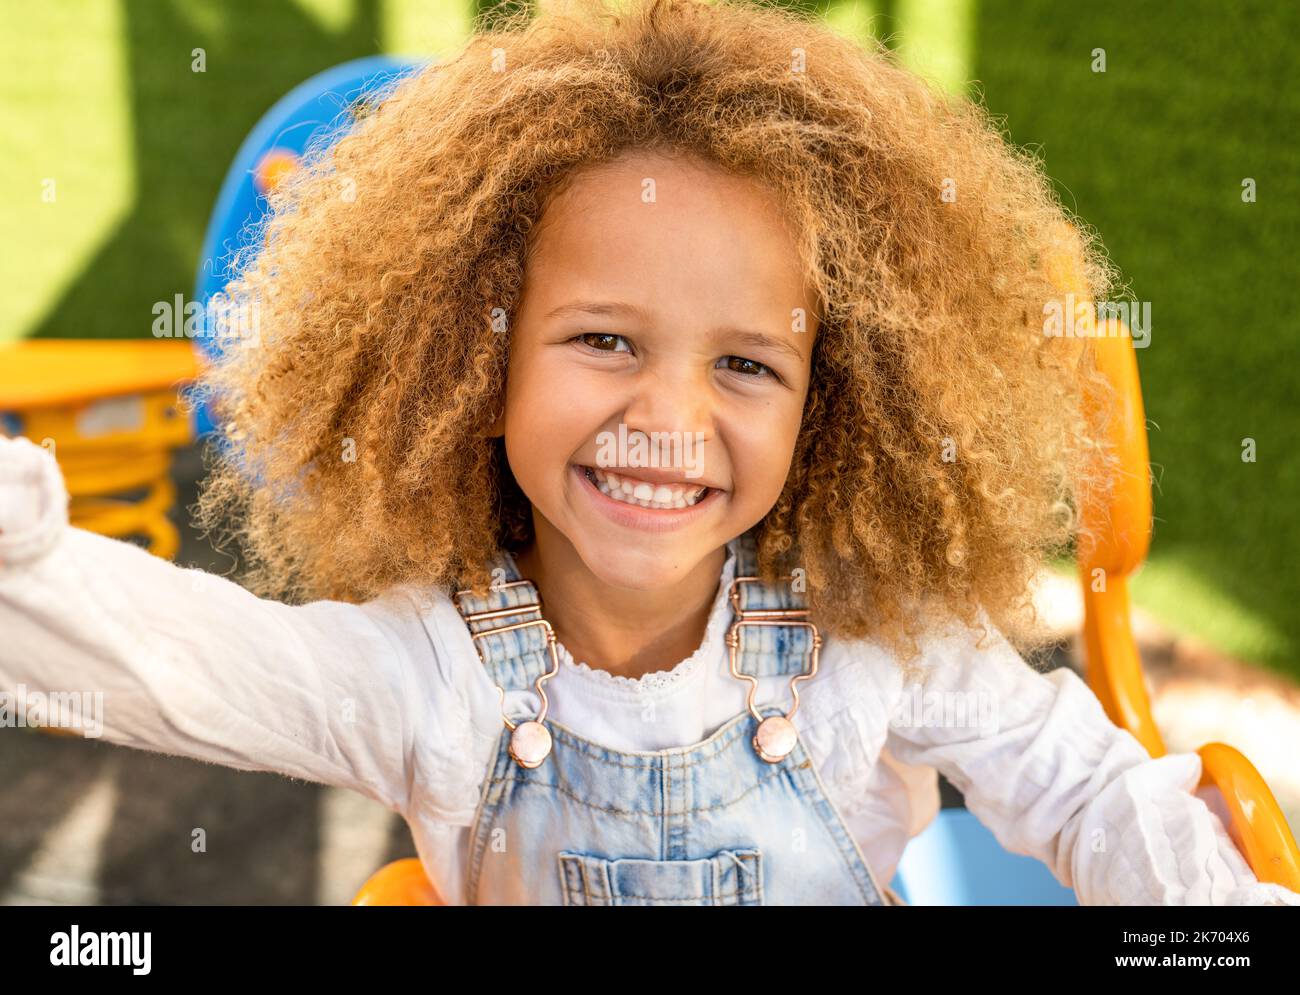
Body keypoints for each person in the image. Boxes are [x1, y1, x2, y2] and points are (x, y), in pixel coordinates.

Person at [3, 0, 1296, 906]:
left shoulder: (877, 642)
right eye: (605, 339)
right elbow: (152, 660)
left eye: (746, 364)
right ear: (476, 364)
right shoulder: (426, 677)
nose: (670, 417)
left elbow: (1084, 793)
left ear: (826, 404)